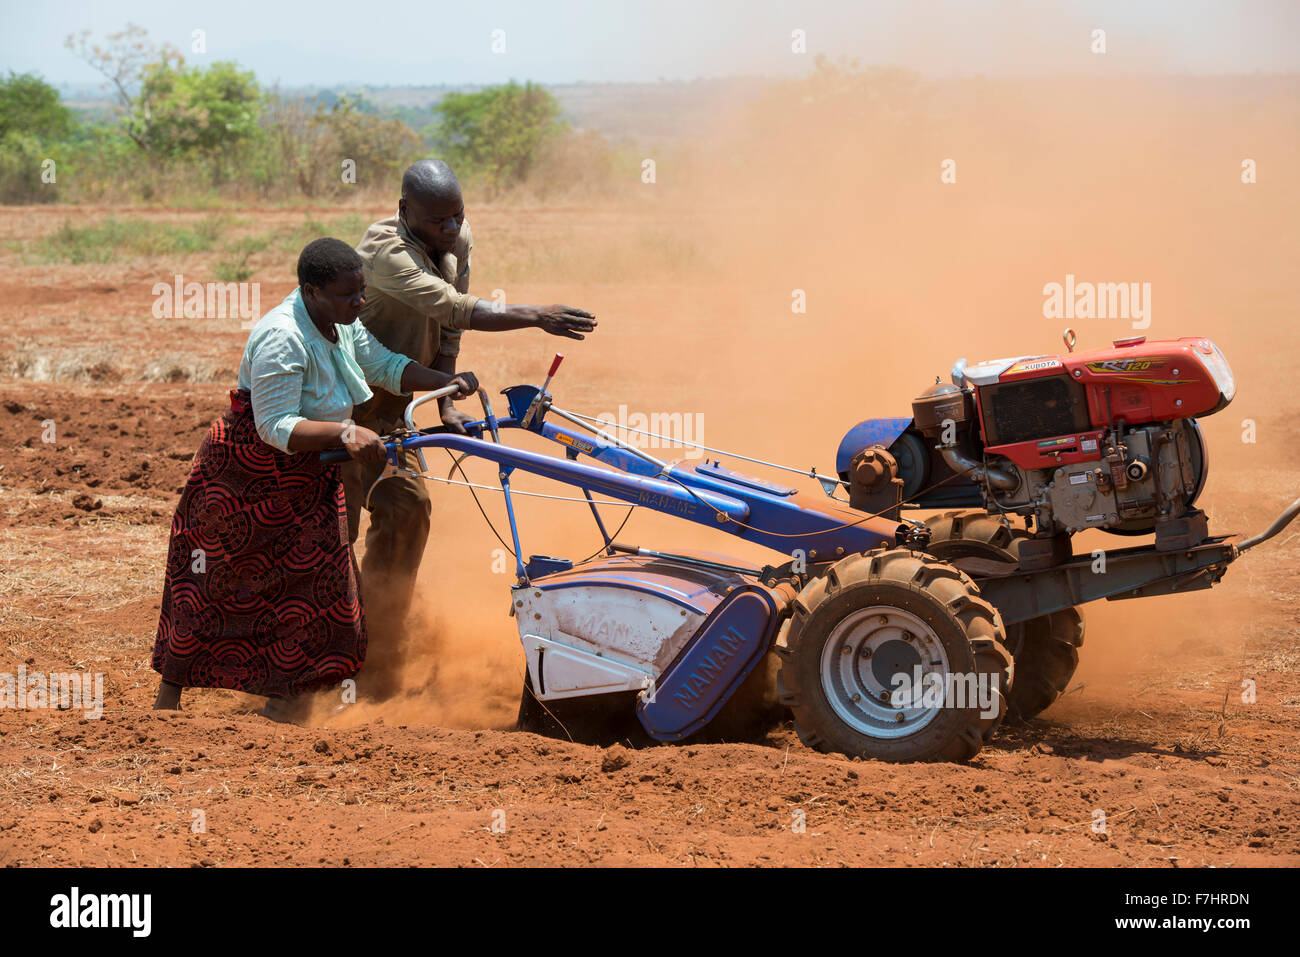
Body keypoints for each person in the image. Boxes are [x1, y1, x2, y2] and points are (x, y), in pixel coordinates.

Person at [151, 238, 478, 716]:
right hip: (247, 477)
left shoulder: (340, 323)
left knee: (314, 586)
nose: (359, 303)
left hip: (310, 472)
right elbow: (275, 425)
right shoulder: (283, 335)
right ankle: (169, 698)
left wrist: (447, 382)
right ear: (311, 291)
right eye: (348, 295)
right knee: (213, 582)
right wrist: (346, 431)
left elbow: (384, 365)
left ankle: (286, 699)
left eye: (361, 292)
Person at [345, 159, 596, 675]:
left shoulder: (457, 240)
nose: (452, 229)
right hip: (344, 410)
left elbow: (450, 328)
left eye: (458, 216)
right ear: (404, 211)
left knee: (408, 512)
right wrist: (536, 317)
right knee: (333, 531)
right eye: (439, 221)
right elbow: (452, 307)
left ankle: (378, 651)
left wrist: (444, 402)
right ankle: (321, 646)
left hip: (400, 409)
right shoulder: (385, 250)